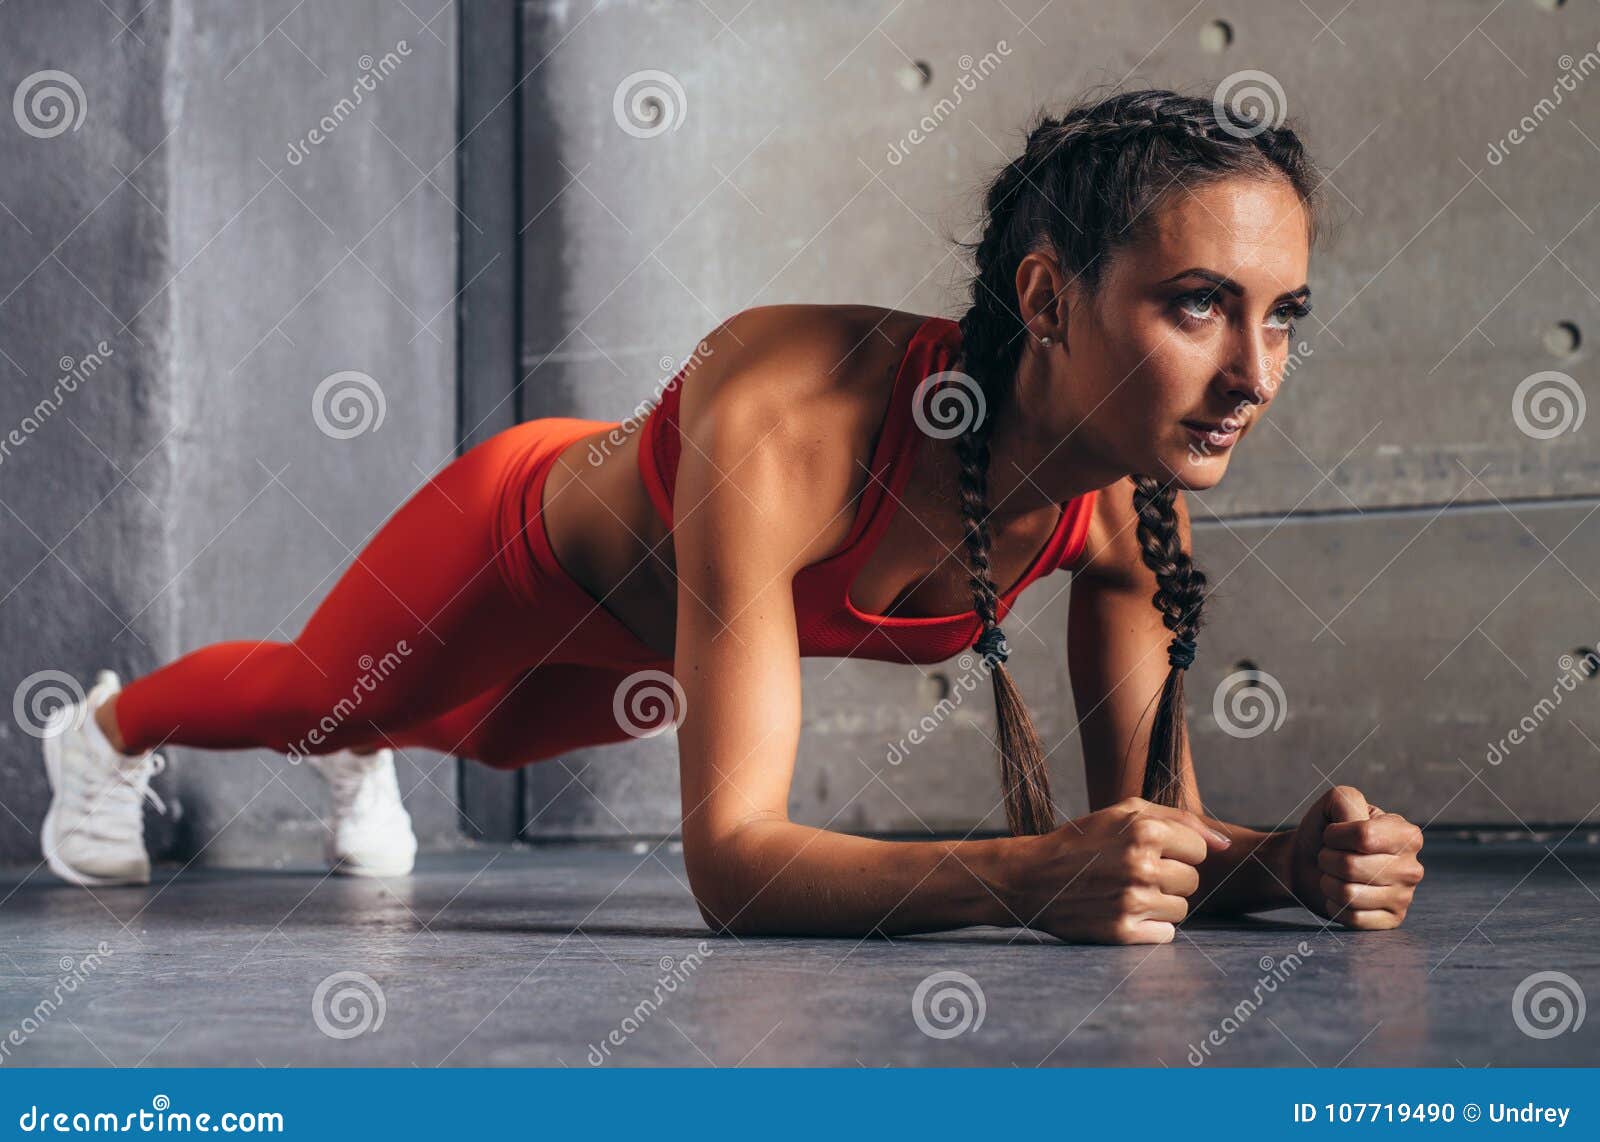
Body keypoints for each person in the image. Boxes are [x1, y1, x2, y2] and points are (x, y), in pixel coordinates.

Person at [38, 87, 1423, 943]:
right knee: (326, 698)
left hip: (657, 653)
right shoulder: (783, 404)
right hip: (524, 544)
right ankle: (99, 730)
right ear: (1052, 298)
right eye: (1200, 304)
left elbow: (1145, 834)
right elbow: (736, 868)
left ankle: (388, 741)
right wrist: (1016, 878)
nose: (1254, 373)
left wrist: (1286, 862)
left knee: (486, 732)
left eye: (1283, 316)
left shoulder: (1124, 511)